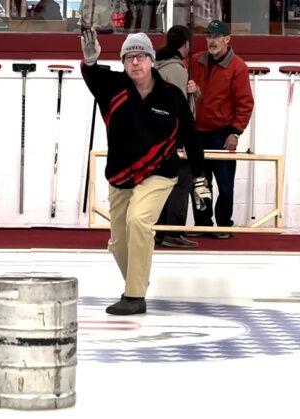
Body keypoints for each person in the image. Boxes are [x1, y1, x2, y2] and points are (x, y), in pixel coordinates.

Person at [80, 30, 211, 315]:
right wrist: (90, 62)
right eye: (129, 57)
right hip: (120, 176)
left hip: (160, 173)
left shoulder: (171, 96)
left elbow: (191, 138)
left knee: (139, 221)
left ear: (152, 60)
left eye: (140, 56)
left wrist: (200, 179)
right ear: (124, 63)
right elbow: (91, 75)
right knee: (118, 244)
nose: (135, 62)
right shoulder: (112, 87)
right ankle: (138, 278)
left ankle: (134, 295)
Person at [186, 20, 254, 239]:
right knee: (200, 182)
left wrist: (235, 132)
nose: (211, 41)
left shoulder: (238, 67)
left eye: (216, 37)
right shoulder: (195, 61)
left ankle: (224, 224)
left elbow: (245, 103)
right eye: (208, 36)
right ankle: (203, 223)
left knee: (225, 184)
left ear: (227, 39)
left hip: (223, 134)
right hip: (197, 133)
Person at [153, 24, 199, 249]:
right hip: (176, 136)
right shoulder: (178, 70)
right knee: (182, 181)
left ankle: (160, 231)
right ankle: (174, 231)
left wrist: (194, 90)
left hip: (157, 135)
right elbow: (182, 108)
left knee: (161, 183)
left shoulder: (157, 66)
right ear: (185, 45)